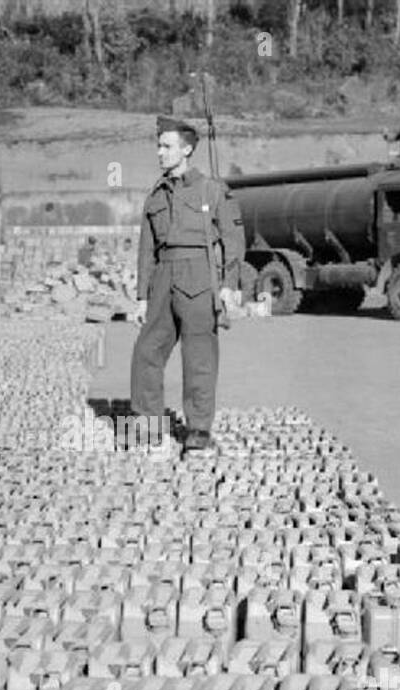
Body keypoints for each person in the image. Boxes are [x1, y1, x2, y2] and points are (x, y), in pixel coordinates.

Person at [130, 115, 245, 454]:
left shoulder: (212, 189)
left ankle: (198, 430)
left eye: (166, 146)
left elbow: (233, 238)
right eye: (158, 145)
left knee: (199, 356)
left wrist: (229, 284)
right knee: (146, 352)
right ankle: (148, 426)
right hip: (163, 278)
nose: (159, 152)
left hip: (199, 275)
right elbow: (146, 249)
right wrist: (141, 296)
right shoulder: (156, 193)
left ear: (187, 149)